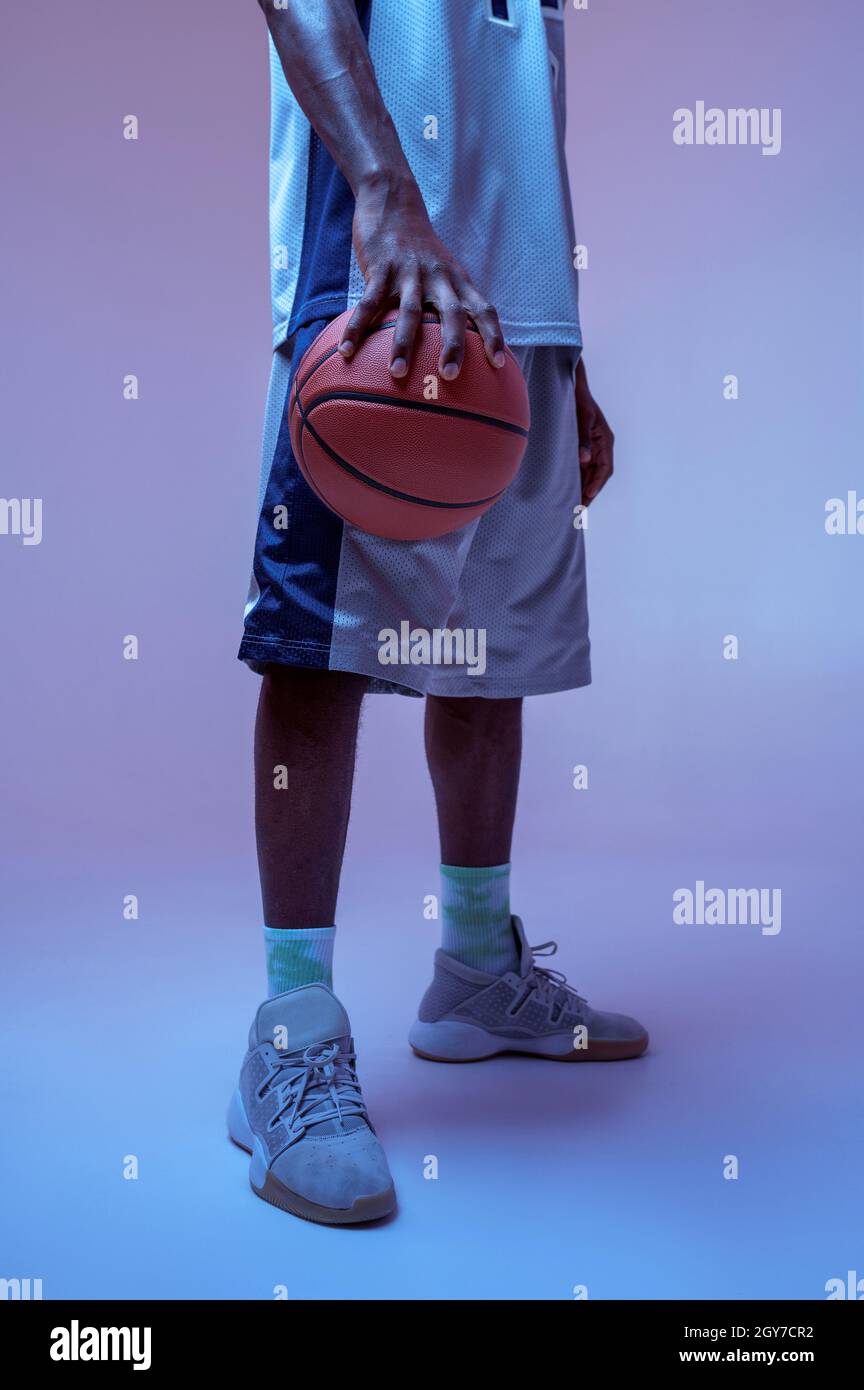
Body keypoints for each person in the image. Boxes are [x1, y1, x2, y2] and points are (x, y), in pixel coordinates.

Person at [227, 0, 648, 1226]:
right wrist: (386, 193)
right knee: (322, 656)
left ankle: (474, 970)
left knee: (490, 656)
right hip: (378, 280)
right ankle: (292, 1034)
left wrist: (569, 357)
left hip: (518, 327)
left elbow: (511, 128)